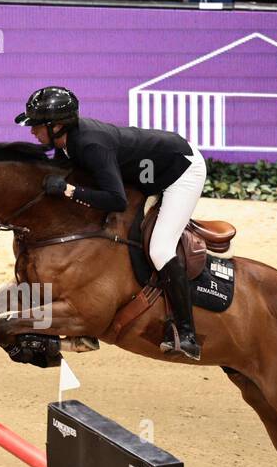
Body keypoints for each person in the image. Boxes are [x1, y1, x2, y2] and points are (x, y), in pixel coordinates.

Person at [17, 86, 207, 361]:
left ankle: (187, 333)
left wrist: (70, 191)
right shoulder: (67, 143)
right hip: (146, 171)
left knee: (160, 248)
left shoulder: (90, 145)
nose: (32, 131)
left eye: (36, 125)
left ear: (57, 126)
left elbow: (116, 200)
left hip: (181, 171)